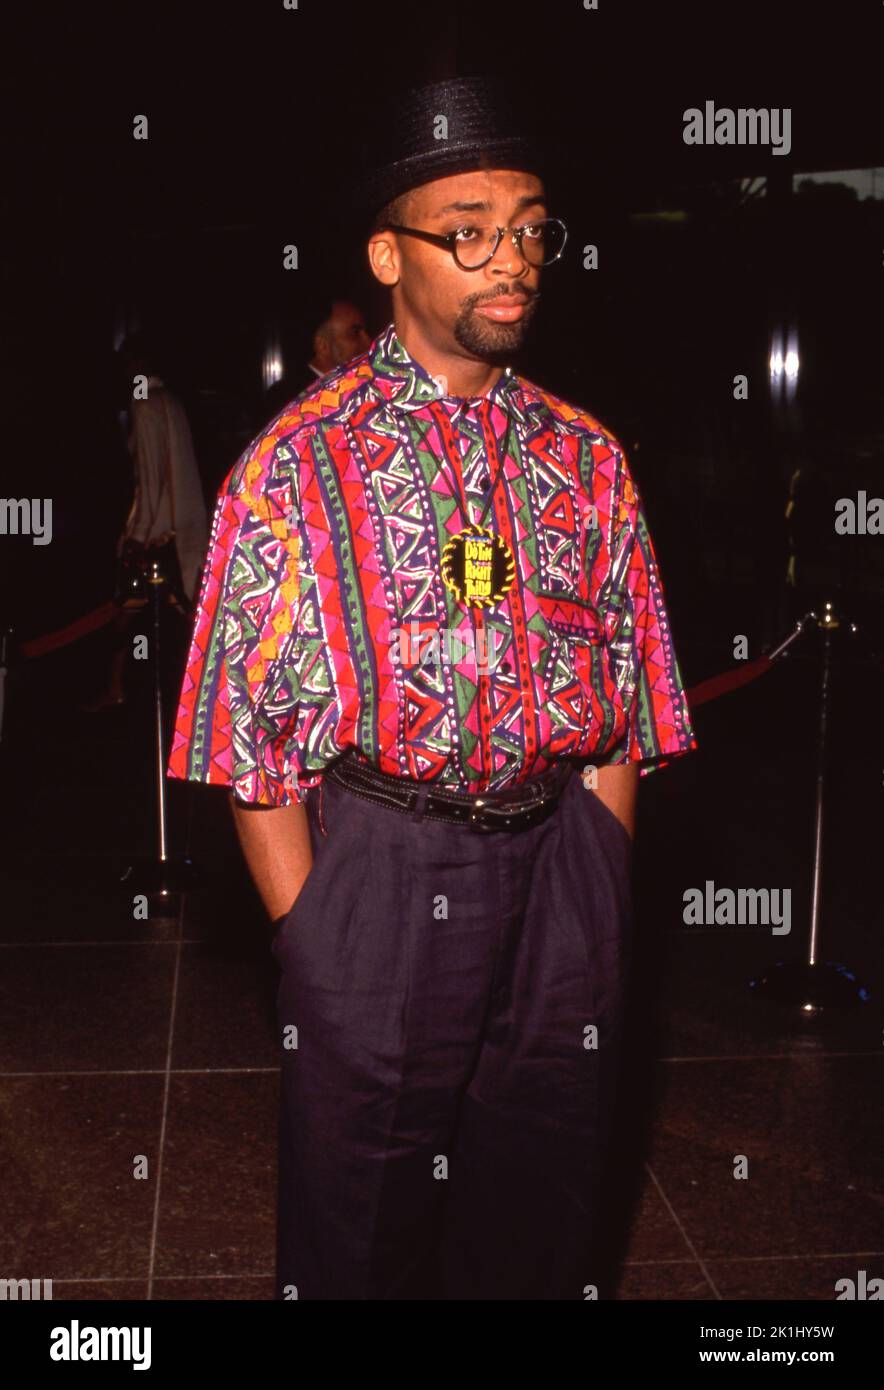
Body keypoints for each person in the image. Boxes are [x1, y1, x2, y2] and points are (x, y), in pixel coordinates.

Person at [167, 75, 697, 1300]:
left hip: (560, 862)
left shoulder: (587, 457)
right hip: (377, 877)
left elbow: (622, 687)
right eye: (467, 230)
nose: (508, 258)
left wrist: (597, 870)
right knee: (362, 1225)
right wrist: (314, 935)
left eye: (527, 225)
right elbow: (248, 736)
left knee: (546, 1203)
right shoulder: (293, 465)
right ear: (386, 256)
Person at [82, 334, 209, 710]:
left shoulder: (145, 404)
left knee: (127, 615)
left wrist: (137, 535)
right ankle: (128, 686)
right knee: (183, 616)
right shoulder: (170, 400)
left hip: (159, 535)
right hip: (185, 525)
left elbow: (150, 476)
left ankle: (119, 687)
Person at [261, 300, 370, 420]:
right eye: (354, 333)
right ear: (322, 346)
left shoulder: (365, 388)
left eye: (365, 332)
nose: (368, 341)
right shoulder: (287, 400)